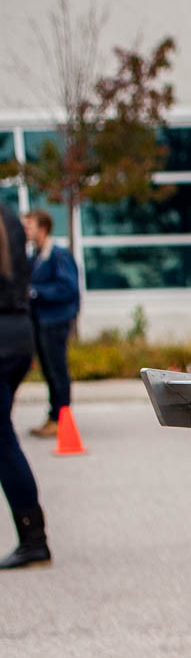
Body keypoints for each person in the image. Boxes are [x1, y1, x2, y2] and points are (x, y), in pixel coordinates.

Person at [0, 203, 49, 569]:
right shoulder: (10, 220)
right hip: (17, 334)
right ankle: (33, 539)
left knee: (3, 442)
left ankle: (34, 540)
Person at [22, 210, 79, 438]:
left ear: (43, 228)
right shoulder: (37, 256)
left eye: (29, 226)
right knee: (48, 371)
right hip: (41, 323)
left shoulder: (58, 255)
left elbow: (68, 288)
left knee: (57, 372)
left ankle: (61, 418)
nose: (26, 231)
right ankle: (54, 415)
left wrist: (35, 292)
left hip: (55, 322)